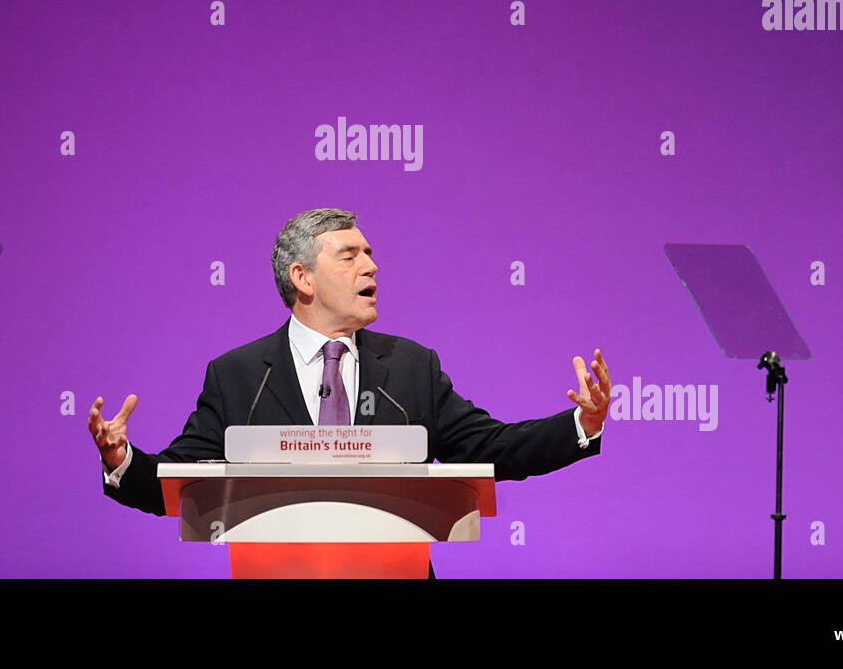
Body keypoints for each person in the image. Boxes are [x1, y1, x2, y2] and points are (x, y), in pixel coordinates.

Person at [90, 207, 612, 519]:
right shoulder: (238, 375)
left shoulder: (411, 367)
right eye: (350, 255)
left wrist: (580, 425)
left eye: (369, 253)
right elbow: (179, 482)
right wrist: (122, 460)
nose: (371, 265)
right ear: (303, 278)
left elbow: (491, 448)